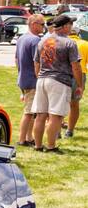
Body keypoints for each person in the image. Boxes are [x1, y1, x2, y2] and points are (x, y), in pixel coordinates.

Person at [30, 14, 84, 154]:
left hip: (42, 79)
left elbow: (36, 63)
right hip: (59, 81)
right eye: (70, 24)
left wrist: (39, 77)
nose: (71, 27)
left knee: (41, 115)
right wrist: (80, 85)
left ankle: (37, 145)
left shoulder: (43, 41)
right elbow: (76, 66)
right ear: (65, 26)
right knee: (56, 116)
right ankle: (51, 146)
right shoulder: (69, 43)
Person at [15, 14, 46, 146]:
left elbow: (16, 59)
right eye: (42, 24)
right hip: (32, 80)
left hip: (23, 77)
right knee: (29, 112)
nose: (43, 27)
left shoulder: (21, 38)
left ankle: (29, 137)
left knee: (32, 111)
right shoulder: (35, 41)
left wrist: (20, 73)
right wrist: (39, 77)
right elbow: (37, 62)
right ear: (33, 24)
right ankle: (22, 139)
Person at [62, 25, 88, 139]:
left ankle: (57, 129)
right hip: (79, 74)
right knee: (74, 104)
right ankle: (69, 130)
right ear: (78, 34)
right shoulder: (85, 44)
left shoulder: (62, 42)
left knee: (59, 102)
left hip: (63, 73)